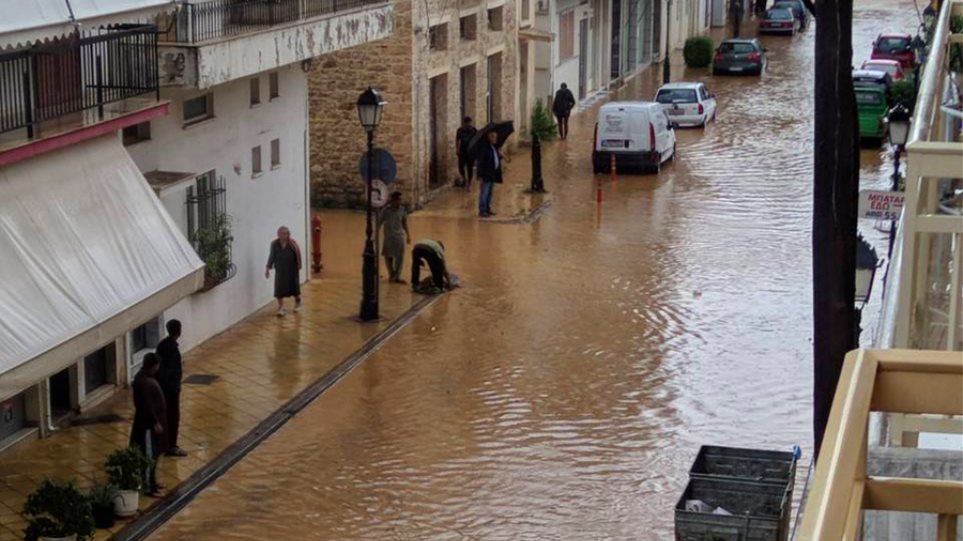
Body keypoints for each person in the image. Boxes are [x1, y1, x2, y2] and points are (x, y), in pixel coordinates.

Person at [130, 353, 167, 496]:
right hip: (147, 426)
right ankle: (149, 487)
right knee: (149, 455)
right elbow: (146, 405)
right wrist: (155, 422)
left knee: (154, 455)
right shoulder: (143, 381)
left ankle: (153, 481)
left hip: (150, 423)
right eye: (157, 366)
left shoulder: (145, 378)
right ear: (152, 366)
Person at [156, 319, 186, 458]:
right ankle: (171, 446)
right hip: (171, 389)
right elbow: (173, 371)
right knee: (173, 417)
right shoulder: (172, 349)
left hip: (162, 388)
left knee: (165, 416)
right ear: (178, 331)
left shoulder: (162, 345)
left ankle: (163, 443)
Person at [265, 226, 302, 316]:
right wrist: (268, 267)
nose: (284, 235)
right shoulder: (274, 244)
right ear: (278, 234)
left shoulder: (292, 244)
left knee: (294, 288)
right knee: (279, 288)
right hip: (280, 269)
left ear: (288, 234)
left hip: (292, 269)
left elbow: (298, 254)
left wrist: (299, 266)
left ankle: (298, 301)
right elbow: (272, 255)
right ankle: (281, 307)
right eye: (282, 233)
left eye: (286, 233)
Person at [379, 191, 411, 283]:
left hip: (399, 237)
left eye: (400, 199)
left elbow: (404, 223)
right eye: (398, 200)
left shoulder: (402, 210)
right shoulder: (386, 210)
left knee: (400, 257)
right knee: (388, 256)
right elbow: (379, 222)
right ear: (393, 200)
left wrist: (408, 235)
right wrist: (374, 235)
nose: (400, 201)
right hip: (389, 237)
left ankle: (397, 276)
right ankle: (391, 274)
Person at [475, 130, 508, 218]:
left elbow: (495, 158)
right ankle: (482, 210)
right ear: (489, 137)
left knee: (490, 192)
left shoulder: (493, 147)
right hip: (486, 174)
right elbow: (480, 163)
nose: (495, 139)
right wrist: (480, 175)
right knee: (484, 192)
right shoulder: (484, 148)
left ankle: (487, 208)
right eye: (493, 137)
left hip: (492, 173)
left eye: (496, 137)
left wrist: (502, 156)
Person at [455, 116, 478, 189]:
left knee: (469, 167)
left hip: (470, 152)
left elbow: (476, 140)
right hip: (462, 151)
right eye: (468, 123)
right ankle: (464, 179)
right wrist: (457, 149)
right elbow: (457, 140)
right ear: (464, 123)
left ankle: (470, 183)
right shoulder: (460, 130)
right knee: (461, 166)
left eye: (470, 123)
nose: (470, 125)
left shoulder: (474, 130)